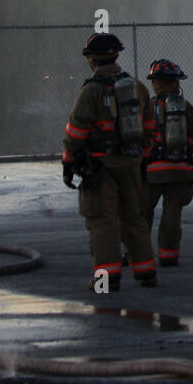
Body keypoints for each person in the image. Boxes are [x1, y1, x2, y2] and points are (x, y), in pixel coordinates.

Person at [62, 33, 157, 290]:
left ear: (92, 60)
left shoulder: (91, 90)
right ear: (116, 55)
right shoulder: (137, 87)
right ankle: (146, 272)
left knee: (102, 221)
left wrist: (68, 162)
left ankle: (107, 278)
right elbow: (150, 127)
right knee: (134, 218)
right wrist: (141, 158)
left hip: (100, 167)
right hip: (131, 164)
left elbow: (76, 131)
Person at [144, 60, 193, 267]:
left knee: (142, 213)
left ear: (155, 82)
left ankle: (139, 254)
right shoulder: (186, 108)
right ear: (176, 82)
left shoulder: (146, 107)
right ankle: (168, 256)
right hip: (180, 171)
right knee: (172, 215)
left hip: (151, 172)